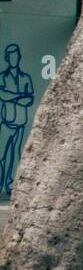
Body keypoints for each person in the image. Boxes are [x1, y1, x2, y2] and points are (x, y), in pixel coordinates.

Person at [0, 43, 35, 195]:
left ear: (18, 57)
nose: (13, 58)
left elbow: (30, 100)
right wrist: (19, 95)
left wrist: (12, 96)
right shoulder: (2, 77)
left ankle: (10, 185)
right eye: (11, 56)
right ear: (7, 58)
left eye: (16, 55)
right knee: (1, 155)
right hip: (6, 123)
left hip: (20, 123)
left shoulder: (25, 78)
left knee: (15, 156)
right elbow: (2, 95)